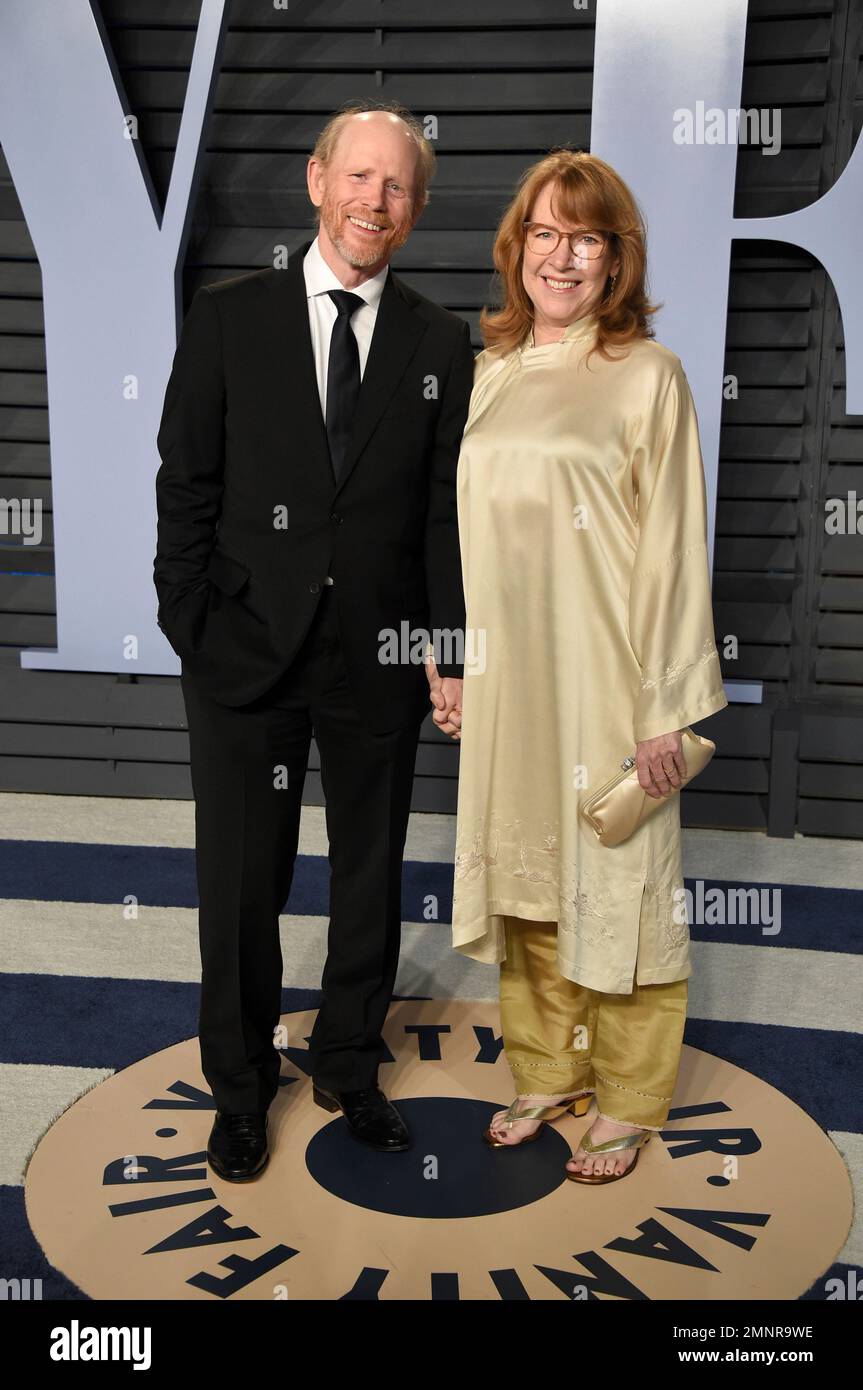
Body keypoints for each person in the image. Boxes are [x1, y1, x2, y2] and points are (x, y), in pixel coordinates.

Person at [153, 102, 472, 1181]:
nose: (373, 201)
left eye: (395, 187)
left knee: (368, 871)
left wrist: (445, 643)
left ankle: (346, 1060)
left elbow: (439, 512)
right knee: (241, 878)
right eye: (358, 178)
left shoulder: (438, 340)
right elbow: (185, 480)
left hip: (375, 654)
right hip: (242, 646)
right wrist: (188, 619)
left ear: (414, 208)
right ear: (315, 181)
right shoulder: (229, 318)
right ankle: (239, 1087)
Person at [441, 149, 728, 1185]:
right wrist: (453, 662)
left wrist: (667, 709)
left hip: (610, 677)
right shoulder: (486, 372)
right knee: (528, 876)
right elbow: (456, 537)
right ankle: (546, 1067)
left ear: (616, 260)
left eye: (588, 238)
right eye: (546, 236)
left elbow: (671, 548)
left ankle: (630, 1095)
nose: (563, 257)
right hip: (511, 678)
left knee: (618, 881)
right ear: (517, 250)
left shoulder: (647, 374)